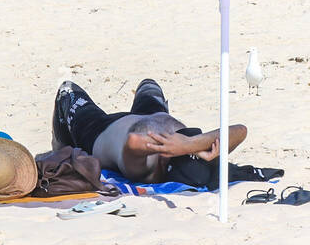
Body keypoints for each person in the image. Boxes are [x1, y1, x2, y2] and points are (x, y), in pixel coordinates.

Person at [51, 78, 247, 184]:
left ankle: (59, 147)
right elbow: (240, 131)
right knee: (149, 83)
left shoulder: (145, 170)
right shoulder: (191, 146)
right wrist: (191, 144)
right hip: (153, 113)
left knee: (67, 90)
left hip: (99, 129)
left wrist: (182, 146)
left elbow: (133, 140)